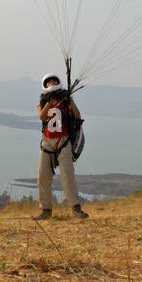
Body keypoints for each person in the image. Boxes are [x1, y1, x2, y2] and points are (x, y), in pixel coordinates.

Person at [34, 72, 88, 220]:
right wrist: (49, 104)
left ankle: (76, 208)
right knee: (43, 177)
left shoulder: (66, 98)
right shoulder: (43, 101)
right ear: (45, 85)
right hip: (47, 142)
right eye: (49, 81)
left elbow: (77, 116)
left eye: (53, 81)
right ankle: (45, 210)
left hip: (63, 141)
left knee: (68, 176)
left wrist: (69, 101)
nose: (51, 83)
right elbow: (42, 117)